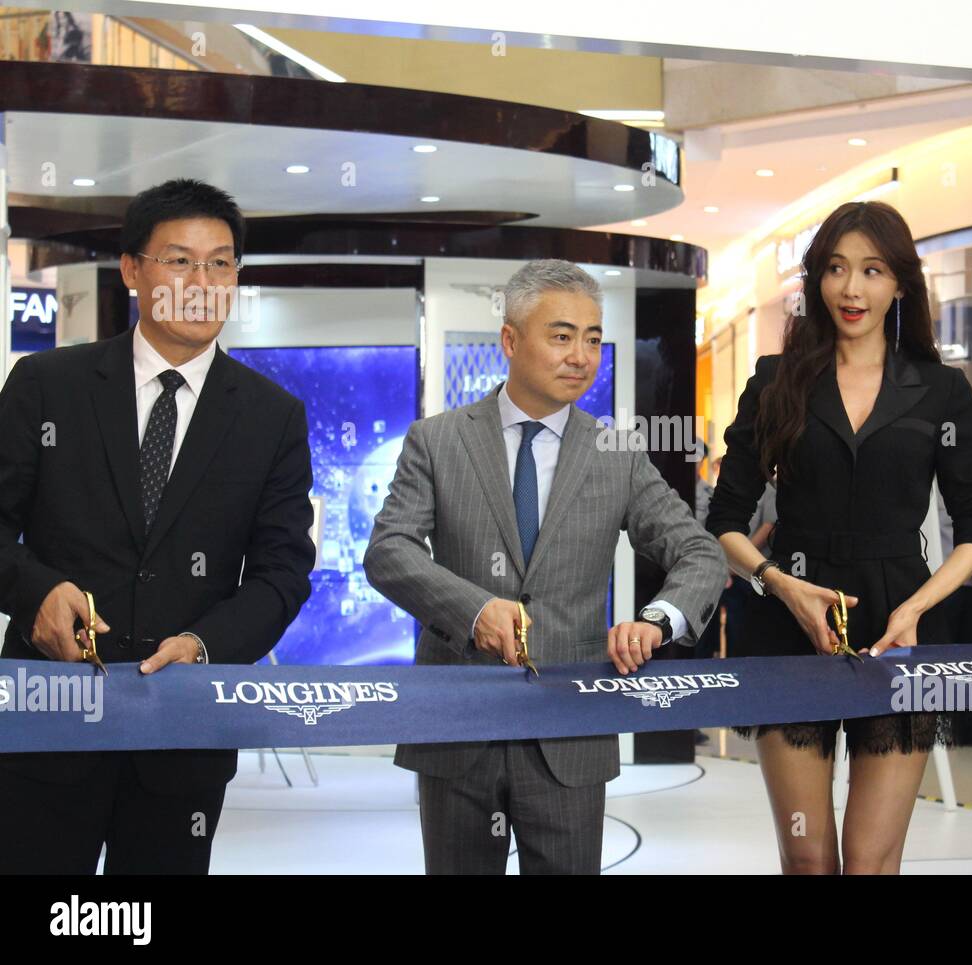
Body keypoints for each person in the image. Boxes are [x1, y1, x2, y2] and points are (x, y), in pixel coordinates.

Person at [365, 259, 726, 875]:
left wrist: (658, 622)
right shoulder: (438, 440)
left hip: (570, 727)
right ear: (510, 340)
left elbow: (701, 553)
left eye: (591, 338)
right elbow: (389, 551)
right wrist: (473, 610)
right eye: (561, 336)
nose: (581, 356)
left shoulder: (616, 452)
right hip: (458, 726)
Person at [0, 178, 316, 874]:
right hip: (46, 721)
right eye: (179, 260)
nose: (202, 281)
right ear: (132, 269)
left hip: (184, 737)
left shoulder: (272, 418)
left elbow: (282, 572)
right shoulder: (48, 385)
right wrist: (35, 592)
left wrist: (206, 643)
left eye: (221, 262)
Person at [705, 201, 972, 874]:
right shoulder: (777, 380)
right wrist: (776, 581)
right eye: (836, 269)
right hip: (787, 624)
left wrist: (920, 605)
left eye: (871, 270)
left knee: (868, 858)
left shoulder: (941, 389)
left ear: (900, 283)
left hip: (901, 628)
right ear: (816, 280)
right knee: (809, 856)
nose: (852, 289)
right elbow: (726, 516)